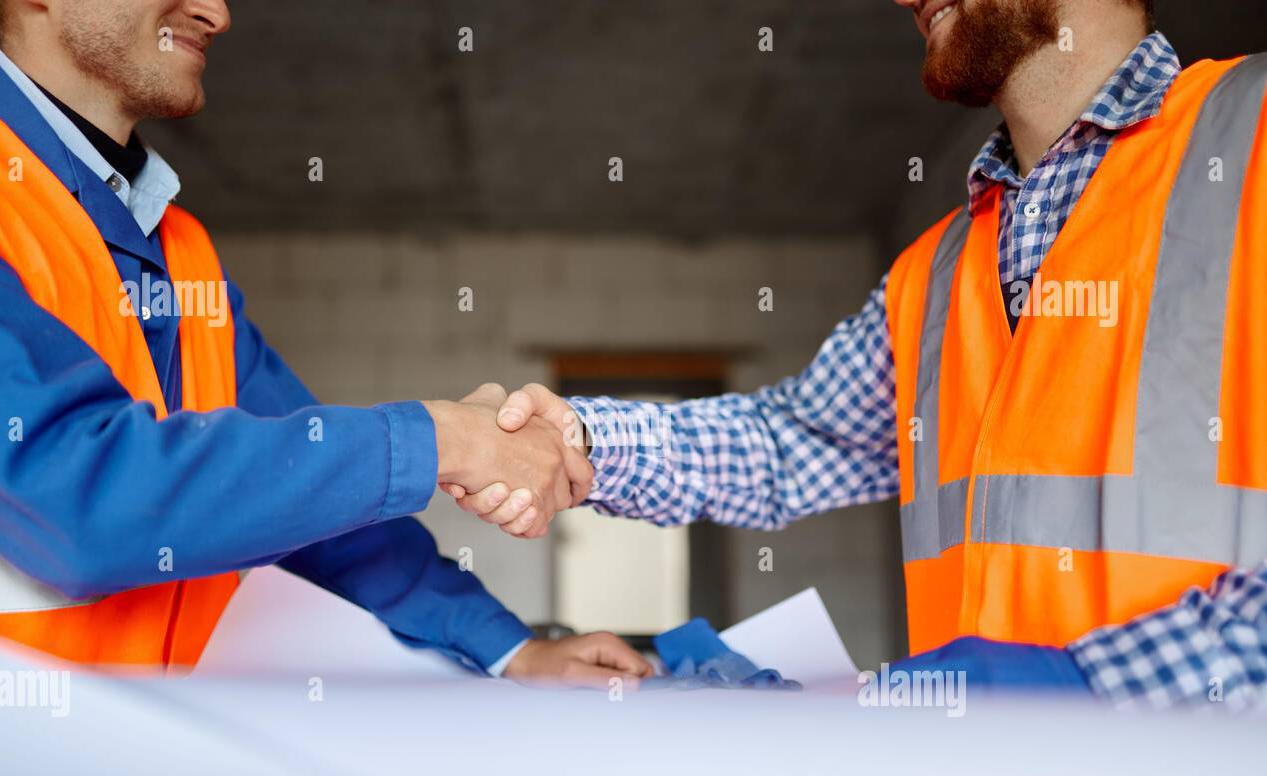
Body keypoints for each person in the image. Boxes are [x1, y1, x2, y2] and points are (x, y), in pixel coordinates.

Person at [451, 0, 1267, 709]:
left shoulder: (1253, 138)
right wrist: (575, 442)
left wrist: (1091, 689)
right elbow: (791, 443)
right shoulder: (937, 274)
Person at [0, 0, 652, 688]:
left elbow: (313, 491)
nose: (217, 12)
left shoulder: (182, 250)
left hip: (144, 762)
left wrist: (508, 648)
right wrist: (446, 438)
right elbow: (77, 499)